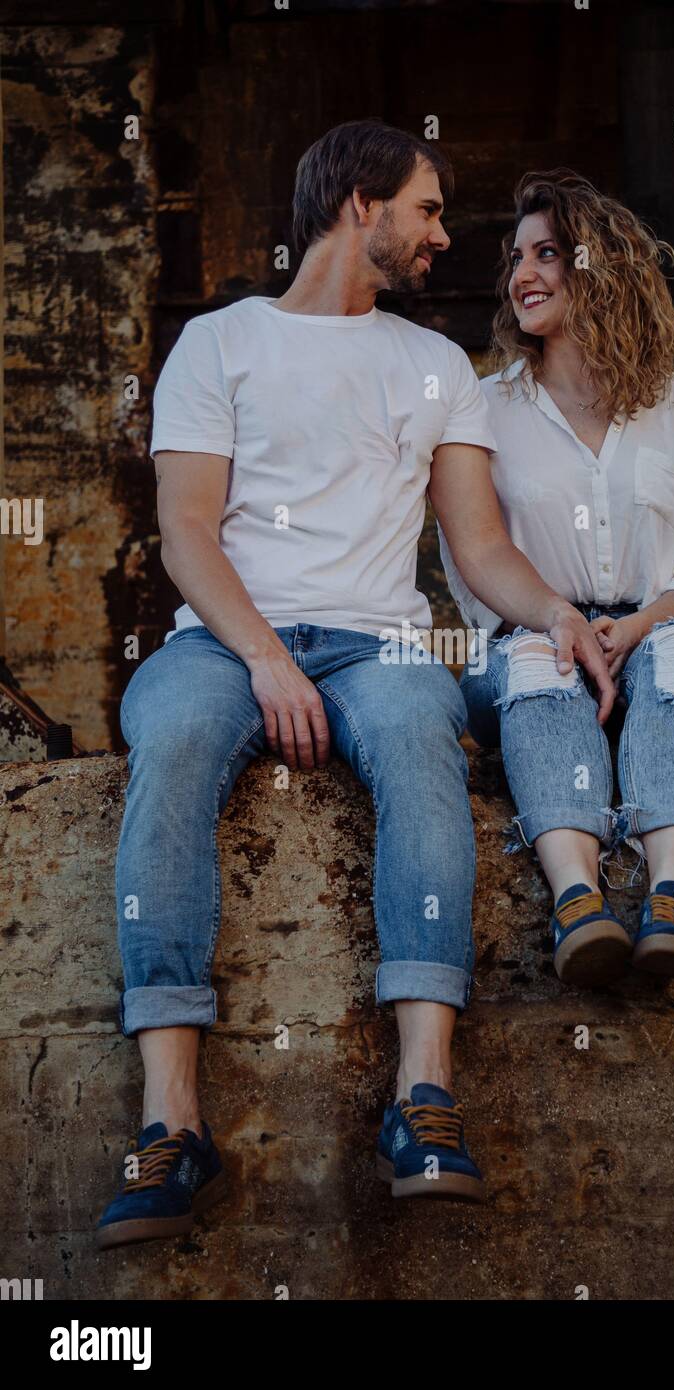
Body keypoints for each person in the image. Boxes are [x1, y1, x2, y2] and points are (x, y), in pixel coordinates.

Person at [97, 125, 617, 1247]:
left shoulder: (432, 369)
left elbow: (475, 549)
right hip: (226, 641)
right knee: (175, 742)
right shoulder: (217, 344)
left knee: (421, 735)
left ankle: (420, 1101)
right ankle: (170, 1124)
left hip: (380, 644)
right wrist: (266, 658)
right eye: (427, 211)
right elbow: (185, 533)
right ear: (359, 206)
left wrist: (556, 612)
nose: (441, 237)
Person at [440, 169, 674, 991]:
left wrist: (638, 626)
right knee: (539, 655)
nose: (522, 275)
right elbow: (471, 556)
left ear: (601, 267)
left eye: (547, 254)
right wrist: (560, 620)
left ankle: (673, 899)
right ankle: (579, 902)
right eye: (516, 259)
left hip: (654, 637)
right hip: (531, 638)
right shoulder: (485, 408)